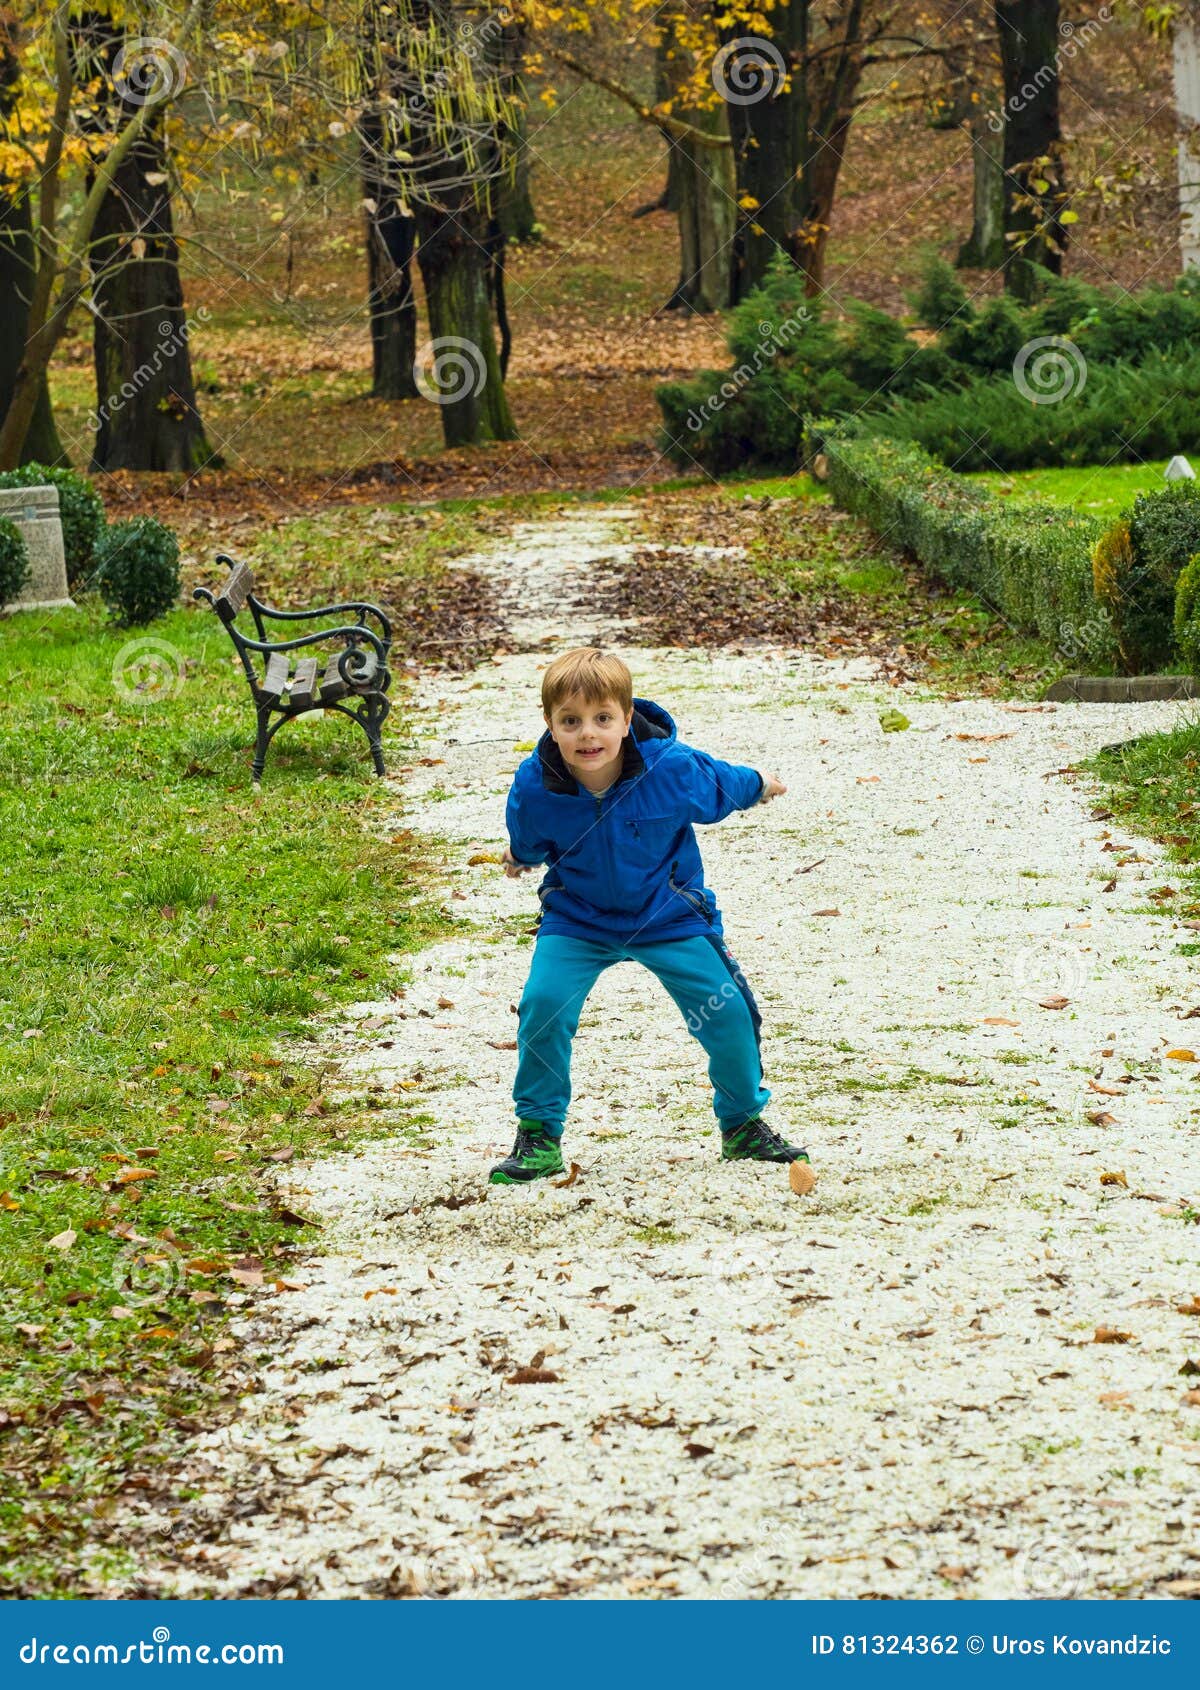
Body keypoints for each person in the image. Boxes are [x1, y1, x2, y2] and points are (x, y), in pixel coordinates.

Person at [490, 645, 811, 1186]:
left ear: (626, 718)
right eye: (570, 721)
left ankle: (742, 1123)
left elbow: (724, 783)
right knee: (543, 1007)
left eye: (601, 719)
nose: (587, 734)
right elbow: (527, 835)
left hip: (669, 918)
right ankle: (539, 1136)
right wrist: (519, 858)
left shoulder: (672, 768)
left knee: (726, 1011)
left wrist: (760, 783)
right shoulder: (534, 785)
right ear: (549, 724)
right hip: (579, 919)